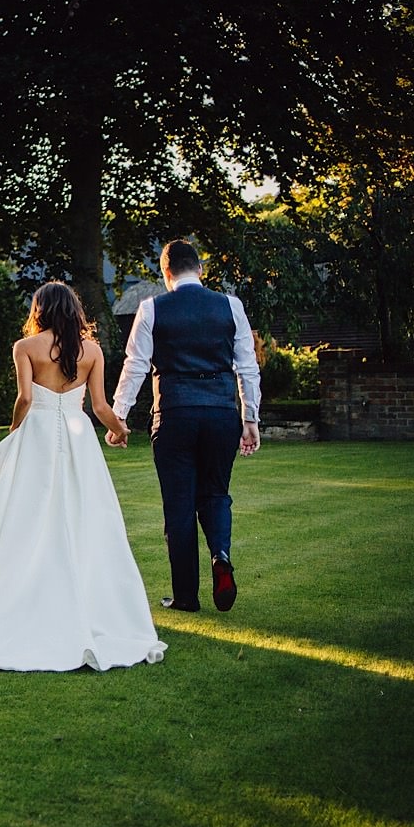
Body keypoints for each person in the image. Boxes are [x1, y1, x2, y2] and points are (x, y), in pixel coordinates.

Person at [0, 281, 167, 672]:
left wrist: (14, 431)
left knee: (30, 516)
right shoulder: (92, 351)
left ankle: (30, 602)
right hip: (80, 440)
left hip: (37, 437)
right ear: (74, 311)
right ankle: (93, 604)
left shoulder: (25, 348)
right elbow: (99, 407)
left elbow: (26, 400)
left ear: (40, 310)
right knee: (86, 516)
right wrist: (119, 428)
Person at [108, 239, 261, 613]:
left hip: (174, 414)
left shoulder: (151, 308)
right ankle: (220, 554)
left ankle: (186, 597)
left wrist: (118, 416)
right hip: (221, 413)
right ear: (201, 269)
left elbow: (136, 366)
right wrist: (250, 417)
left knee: (178, 505)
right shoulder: (231, 306)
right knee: (215, 493)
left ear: (166, 273)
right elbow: (247, 366)